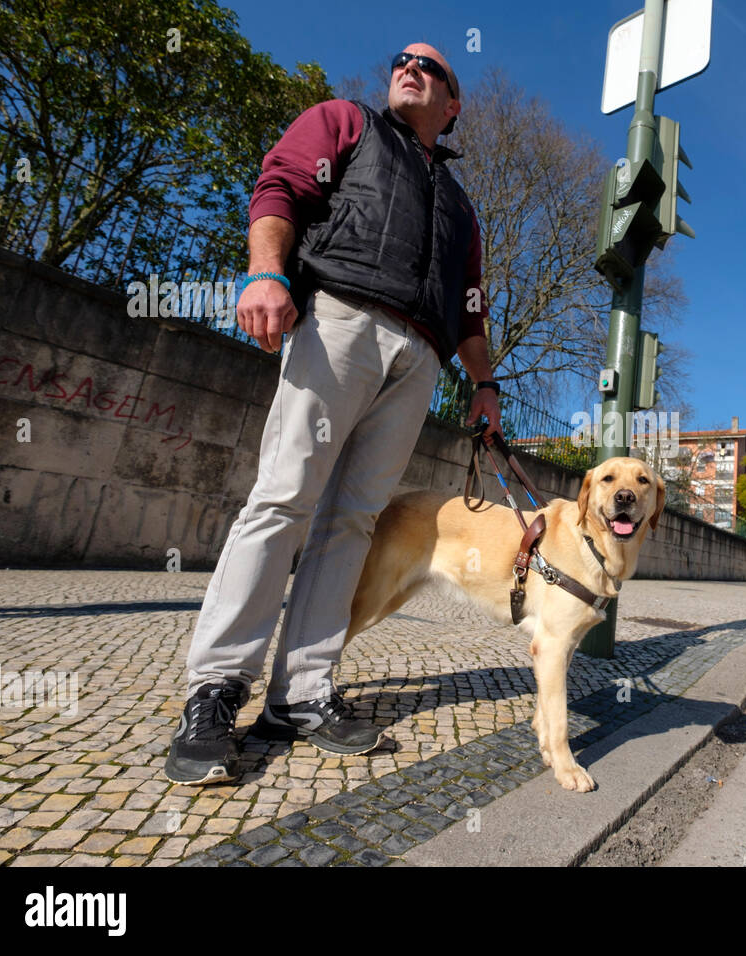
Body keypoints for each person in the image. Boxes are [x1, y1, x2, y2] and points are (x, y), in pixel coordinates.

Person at [165, 43, 502, 785]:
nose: (410, 67)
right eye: (402, 59)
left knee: (353, 519)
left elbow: (472, 303)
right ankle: (215, 690)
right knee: (284, 497)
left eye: (431, 67)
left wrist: (486, 387)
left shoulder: (462, 207)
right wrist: (264, 272)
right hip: (339, 320)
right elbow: (280, 189)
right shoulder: (345, 122)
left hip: (421, 358)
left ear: (452, 106)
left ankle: (301, 694)